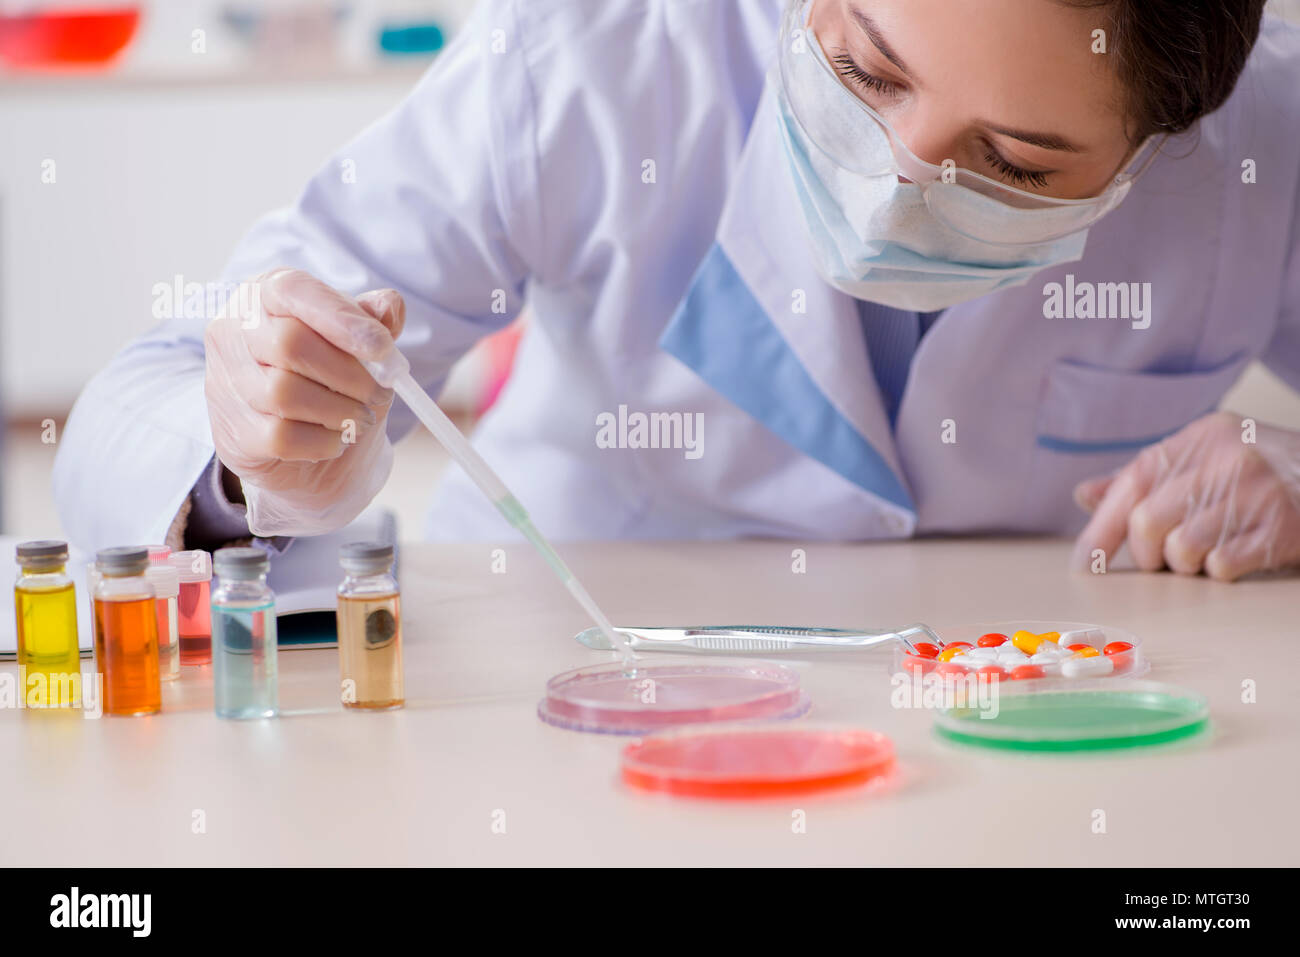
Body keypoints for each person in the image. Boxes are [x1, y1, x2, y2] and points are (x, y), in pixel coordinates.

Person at [54, 0, 1300, 581]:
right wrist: (247, 460)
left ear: (1163, 140)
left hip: (1017, 723)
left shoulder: (1268, 143)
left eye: (1014, 164)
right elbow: (146, 392)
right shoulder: (592, 56)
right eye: (864, 72)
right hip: (561, 683)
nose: (894, 186)